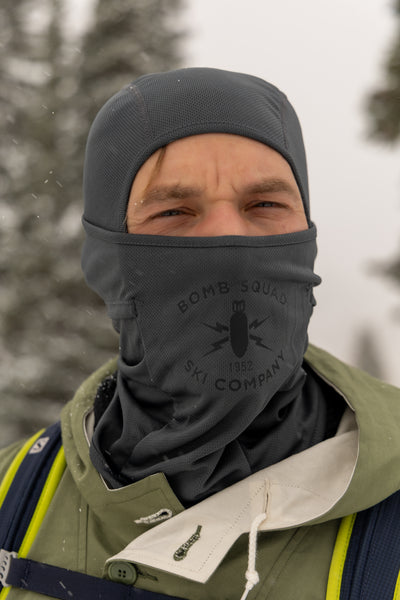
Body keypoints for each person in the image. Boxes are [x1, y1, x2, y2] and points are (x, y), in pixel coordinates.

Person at [1, 67, 400, 600]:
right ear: (106, 258)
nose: (230, 240)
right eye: (173, 211)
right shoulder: (11, 497)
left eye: (265, 205)